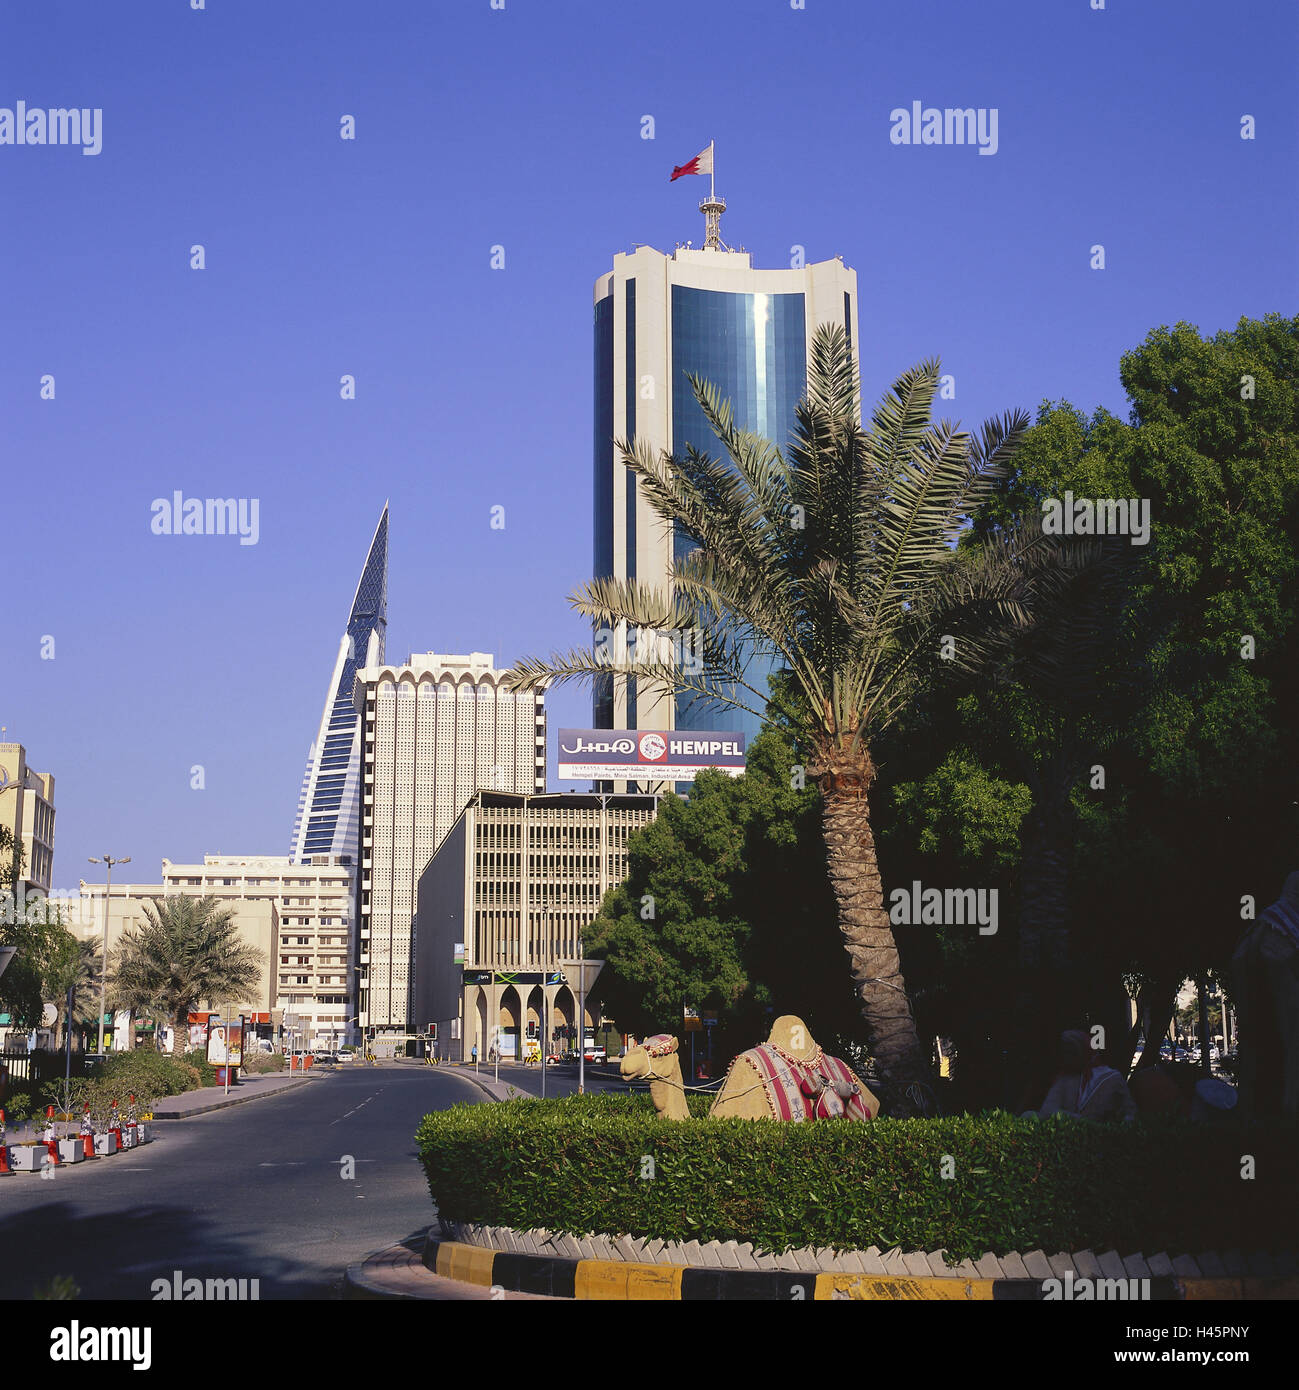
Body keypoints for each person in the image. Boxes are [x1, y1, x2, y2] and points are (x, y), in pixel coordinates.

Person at [1031, 1030, 1137, 1123]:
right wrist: (1078, 1120)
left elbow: (1129, 1114)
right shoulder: (1064, 1079)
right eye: (1064, 1052)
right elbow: (1048, 1110)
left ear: (1082, 1051)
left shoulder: (1111, 1078)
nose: (1065, 1057)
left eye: (1070, 1052)